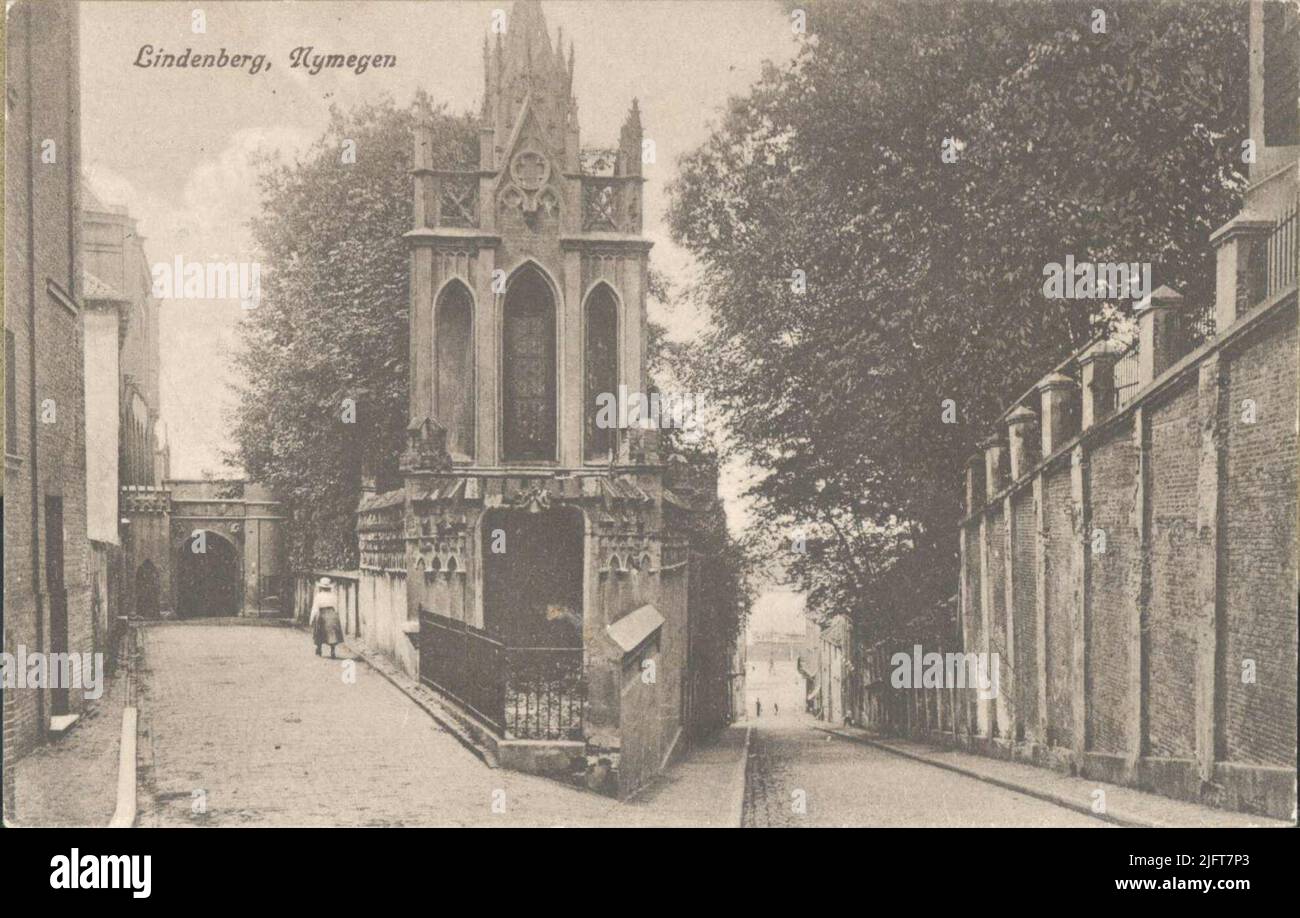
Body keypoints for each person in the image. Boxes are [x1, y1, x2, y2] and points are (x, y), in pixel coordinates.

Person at [309, 576, 345, 658]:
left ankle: (319, 648)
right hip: (332, 614)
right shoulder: (334, 595)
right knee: (332, 633)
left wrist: (311, 619)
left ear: (321, 587)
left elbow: (315, 608)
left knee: (318, 631)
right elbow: (337, 607)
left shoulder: (318, 596)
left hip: (322, 613)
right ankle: (332, 650)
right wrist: (336, 616)